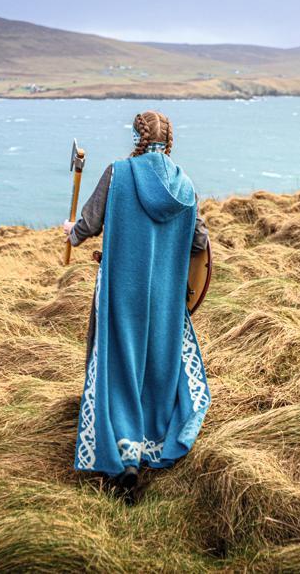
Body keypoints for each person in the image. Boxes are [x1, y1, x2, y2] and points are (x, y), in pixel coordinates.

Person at [63, 110, 211, 503]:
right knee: (157, 365)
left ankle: (122, 454)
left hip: (119, 291)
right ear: (170, 140)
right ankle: (152, 442)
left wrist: (71, 233)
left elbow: (88, 225)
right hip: (165, 298)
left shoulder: (118, 173)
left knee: (116, 364)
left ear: (137, 137)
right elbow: (200, 245)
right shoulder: (185, 185)